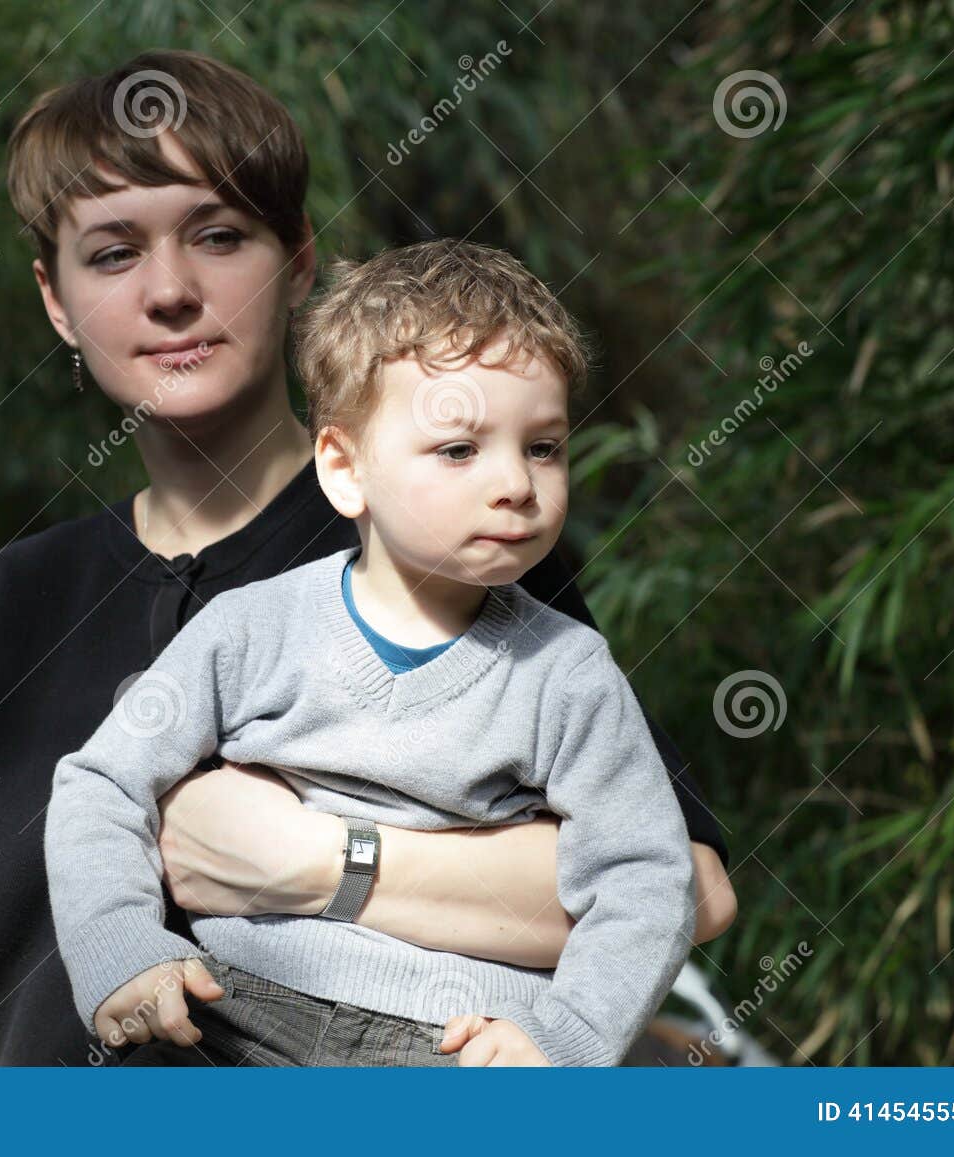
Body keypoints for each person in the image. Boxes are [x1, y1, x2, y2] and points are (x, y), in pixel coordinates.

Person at [0, 49, 734, 1067]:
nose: (171, 291)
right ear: (55, 300)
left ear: (299, 260)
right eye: (112, 253)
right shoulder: (7, 603)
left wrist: (317, 863)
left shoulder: (449, 537)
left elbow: (687, 888)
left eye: (218, 237)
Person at [46, 238, 695, 1067]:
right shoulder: (249, 629)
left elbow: (647, 878)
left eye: (543, 446)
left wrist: (561, 1037)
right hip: (237, 1011)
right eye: (459, 449)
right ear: (345, 469)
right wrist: (122, 951)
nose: (516, 484)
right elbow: (101, 783)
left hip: (454, 1043)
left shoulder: (567, 673)